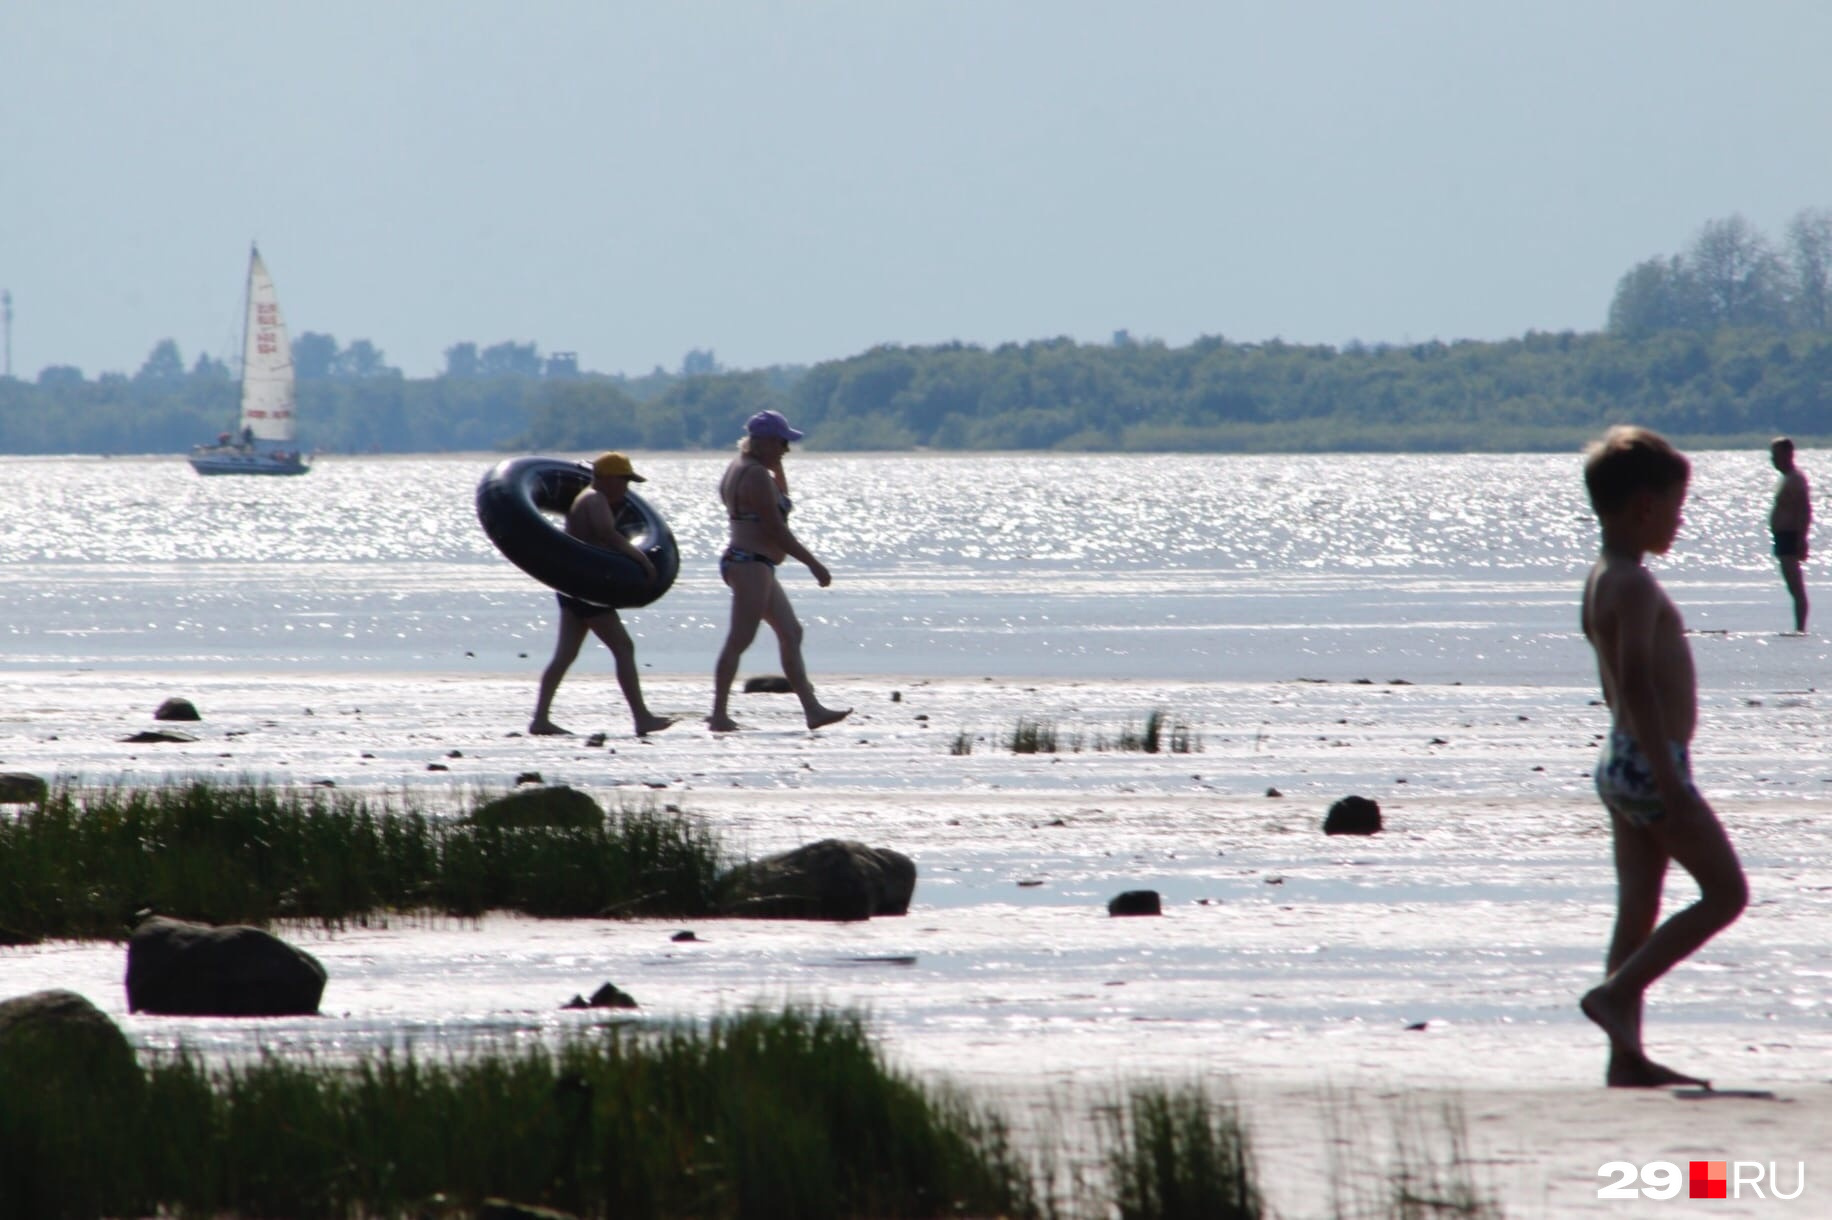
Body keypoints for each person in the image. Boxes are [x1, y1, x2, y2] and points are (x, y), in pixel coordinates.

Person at [1577, 426, 1748, 1088]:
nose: (1679, 521)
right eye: (1677, 508)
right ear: (1645, 505)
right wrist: (1669, 780)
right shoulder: (1636, 587)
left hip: (1620, 761)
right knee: (1726, 893)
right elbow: (1640, 684)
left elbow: (1611, 685)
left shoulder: (1602, 579)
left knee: (1637, 912)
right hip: (1650, 763)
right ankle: (1617, 995)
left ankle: (1625, 1058)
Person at [707, 410, 851, 732]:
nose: (787, 448)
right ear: (764, 442)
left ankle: (812, 710)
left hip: (754, 564)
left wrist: (778, 466)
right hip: (749, 564)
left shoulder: (745, 467)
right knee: (739, 640)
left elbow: (782, 501)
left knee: (791, 632)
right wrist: (814, 564)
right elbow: (776, 528)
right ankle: (718, 715)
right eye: (782, 443)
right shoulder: (754, 475)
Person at [529, 451, 674, 737]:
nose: (626, 488)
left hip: (572, 586)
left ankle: (540, 719)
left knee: (566, 654)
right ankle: (642, 718)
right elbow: (609, 535)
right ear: (606, 479)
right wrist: (642, 560)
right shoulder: (595, 500)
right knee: (623, 647)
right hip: (586, 588)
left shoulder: (587, 498)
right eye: (623, 480)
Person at [1768, 436, 1811, 633]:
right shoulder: (1785, 478)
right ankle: (1798, 626)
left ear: (1788, 454)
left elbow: (1804, 510)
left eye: (1775, 455)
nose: (1773, 459)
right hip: (1782, 536)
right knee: (1791, 586)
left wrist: (1802, 539)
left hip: (1790, 536)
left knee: (1796, 587)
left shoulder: (1796, 479)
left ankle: (1800, 629)